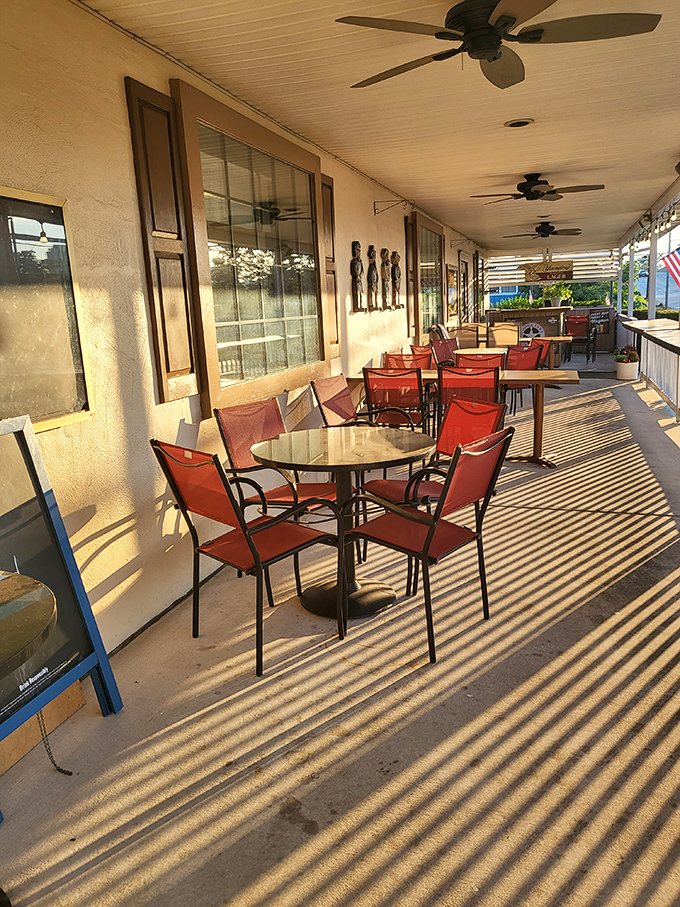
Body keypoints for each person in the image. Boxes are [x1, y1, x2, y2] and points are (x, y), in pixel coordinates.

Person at [350, 240, 364, 310]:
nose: (359, 252)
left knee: (361, 293)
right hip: (355, 280)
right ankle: (357, 306)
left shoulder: (360, 262)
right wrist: (357, 276)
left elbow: (362, 271)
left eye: (360, 251)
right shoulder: (353, 262)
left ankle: (360, 305)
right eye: (357, 250)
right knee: (356, 293)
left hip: (359, 280)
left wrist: (360, 275)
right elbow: (353, 271)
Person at [366, 245, 378, 310]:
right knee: (371, 293)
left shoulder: (374, 268)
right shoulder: (371, 268)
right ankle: (371, 305)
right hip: (371, 283)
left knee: (375, 293)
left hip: (375, 282)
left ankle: (375, 304)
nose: (373, 259)